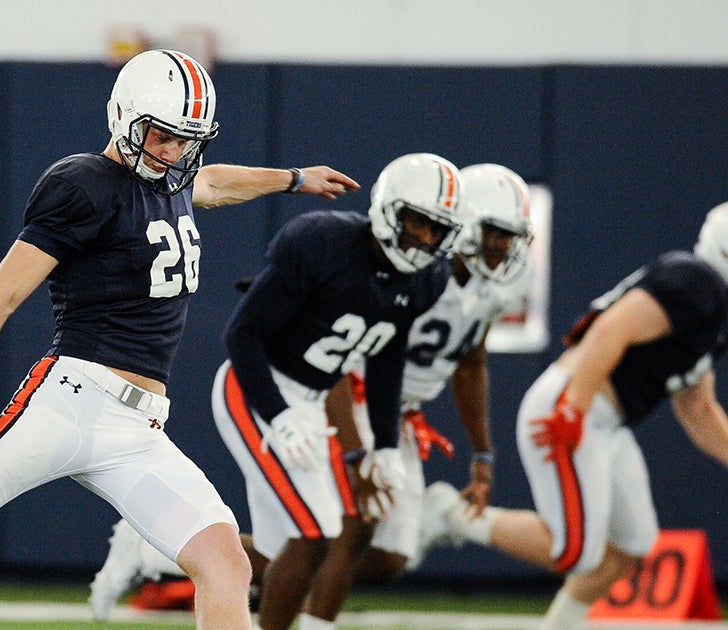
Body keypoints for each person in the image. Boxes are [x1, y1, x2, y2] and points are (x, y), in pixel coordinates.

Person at [0, 49, 360, 630]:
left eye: (186, 139)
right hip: (74, 400)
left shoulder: (175, 175)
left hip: (139, 427)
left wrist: (293, 179)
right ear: (124, 117)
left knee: (224, 562)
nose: (173, 152)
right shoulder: (83, 183)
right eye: (161, 136)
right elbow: (2, 295)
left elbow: (213, 181)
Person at [85, 152, 465, 630]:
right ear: (390, 210)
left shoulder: (428, 278)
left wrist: (386, 445)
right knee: (315, 534)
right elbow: (242, 334)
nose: (425, 238)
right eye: (417, 222)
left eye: (437, 229)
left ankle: (147, 552)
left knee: (287, 546)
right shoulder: (323, 242)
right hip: (255, 388)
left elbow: (387, 359)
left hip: (310, 400)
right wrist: (279, 415)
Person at [417, 202, 728, 629]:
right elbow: (610, 330)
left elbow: (698, 410)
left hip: (605, 421)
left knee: (632, 545)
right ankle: (451, 514)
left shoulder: (713, 311)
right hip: (572, 408)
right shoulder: (697, 282)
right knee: (575, 553)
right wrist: (573, 410)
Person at [298, 163, 535, 629]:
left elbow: (471, 364)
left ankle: (230, 562)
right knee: (356, 523)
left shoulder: (495, 288)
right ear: (468, 223)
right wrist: (355, 448)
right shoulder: (417, 269)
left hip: (399, 413)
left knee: (388, 559)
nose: (505, 248)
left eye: (512, 237)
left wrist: (483, 453)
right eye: (497, 233)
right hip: (352, 392)